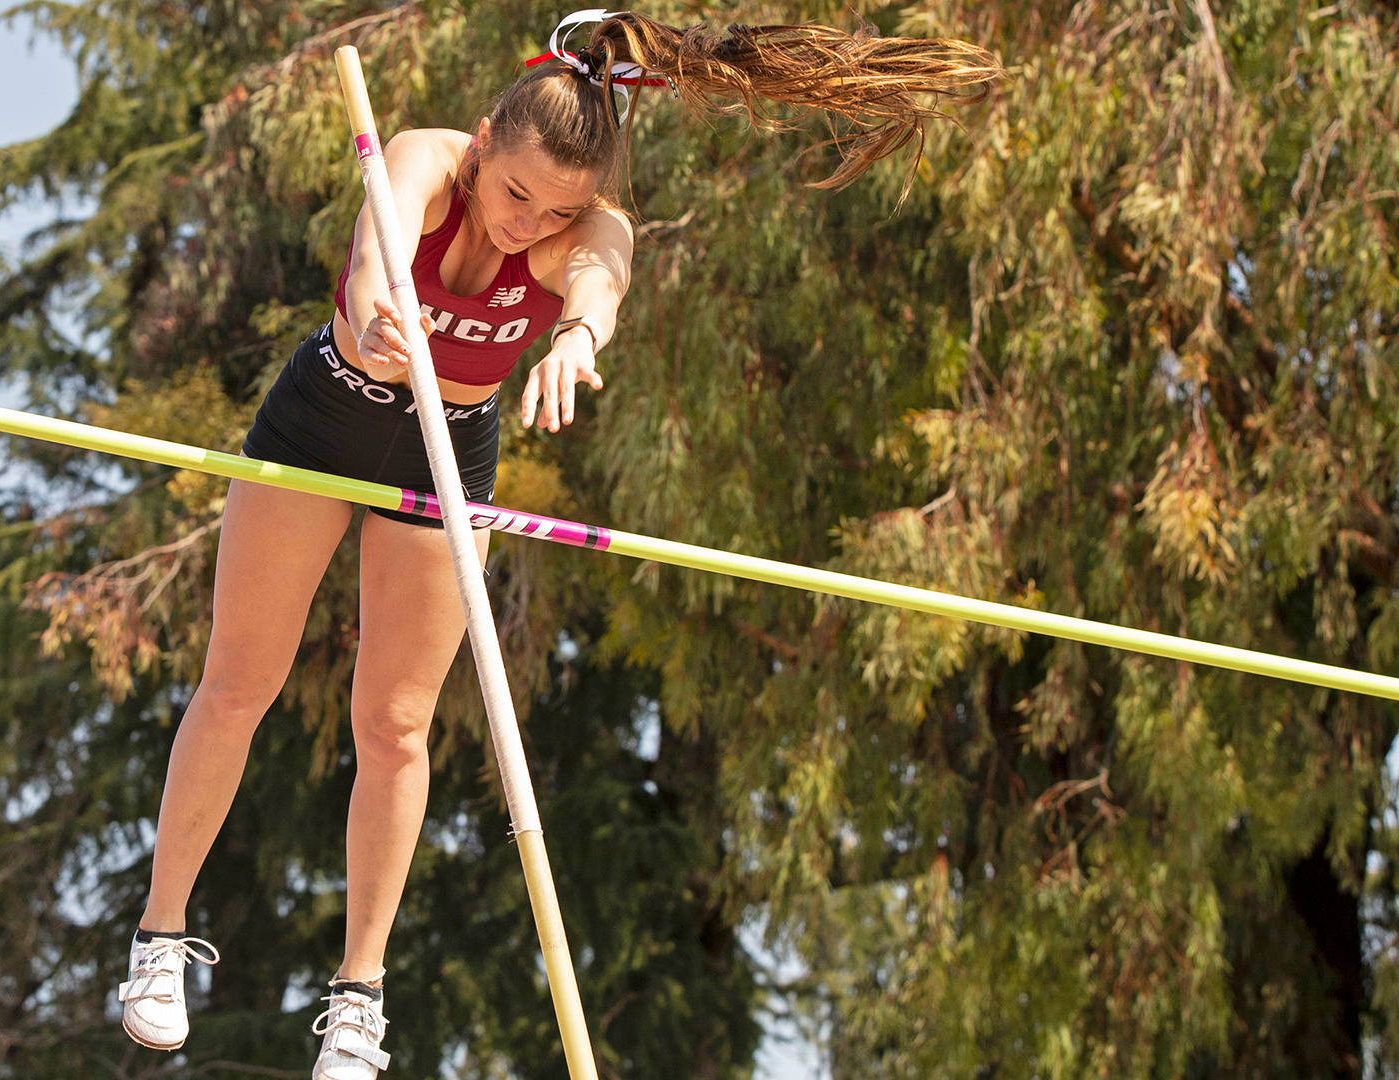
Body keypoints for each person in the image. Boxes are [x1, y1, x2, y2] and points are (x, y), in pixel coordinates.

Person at [114, 10, 1000, 1078]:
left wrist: (575, 339)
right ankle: (159, 940)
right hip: (327, 412)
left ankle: (359, 998)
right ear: (484, 142)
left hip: (451, 450)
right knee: (240, 683)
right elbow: (368, 263)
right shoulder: (426, 161)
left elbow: (597, 293)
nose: (533, 221)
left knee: (395, 724)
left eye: (561, 209)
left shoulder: (593, 232)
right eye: (516, 192)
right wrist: (379, 305)